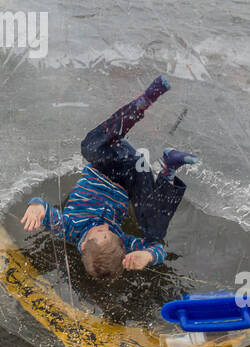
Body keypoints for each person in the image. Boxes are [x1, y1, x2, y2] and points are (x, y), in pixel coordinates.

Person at [20, 77, 197, 282]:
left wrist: (36, 207)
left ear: (84, 244)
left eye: (100, 233)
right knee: (155, 232)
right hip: (132, 180)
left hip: (109, 165)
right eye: (110, 234)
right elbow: (158, 249)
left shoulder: (69, 228)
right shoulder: (120, 243)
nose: (105, 227)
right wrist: (147, 255)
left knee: (89, 147)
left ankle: (142, 103)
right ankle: (170, 166)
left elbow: (44, 209)